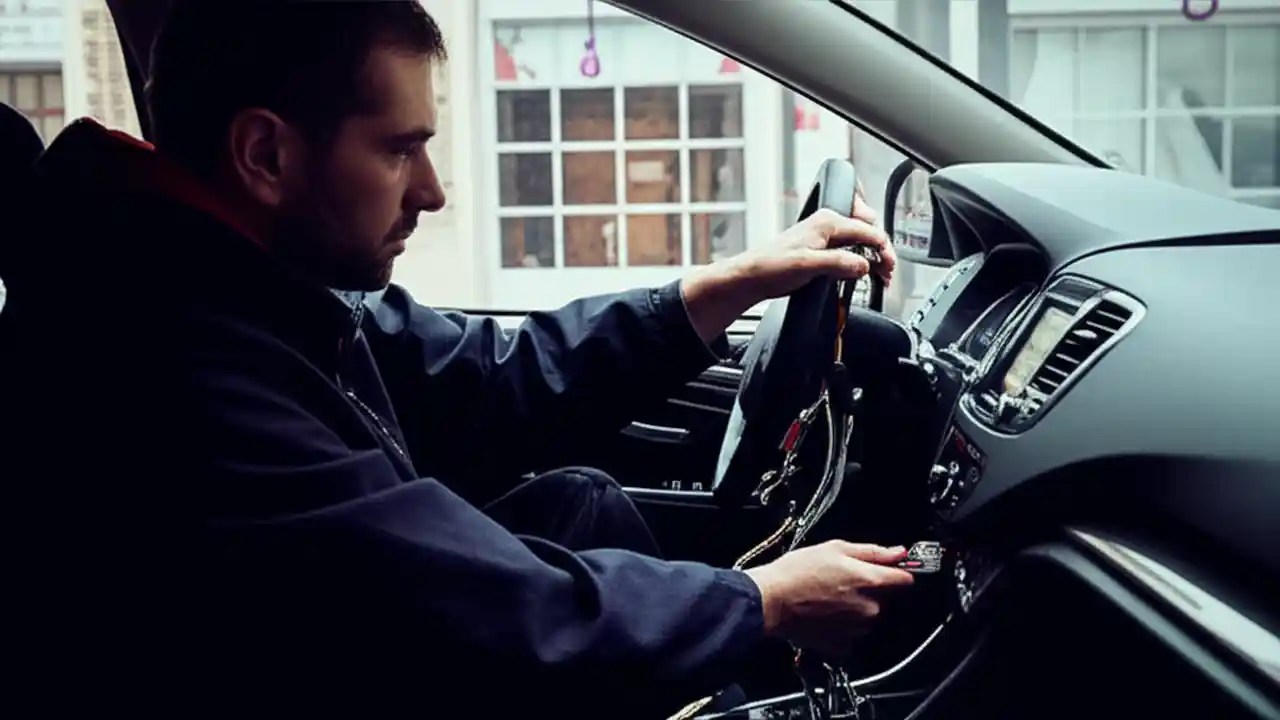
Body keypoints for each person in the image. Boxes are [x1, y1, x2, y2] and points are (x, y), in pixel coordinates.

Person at [7, 1, 912, 716]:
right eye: (402, 151)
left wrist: (729, 286)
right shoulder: (173, 369)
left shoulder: (255, 285)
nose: (434, 193)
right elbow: (465, 610)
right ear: (265, 153)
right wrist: (763, 602)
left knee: (576, 502)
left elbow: (490, 378)